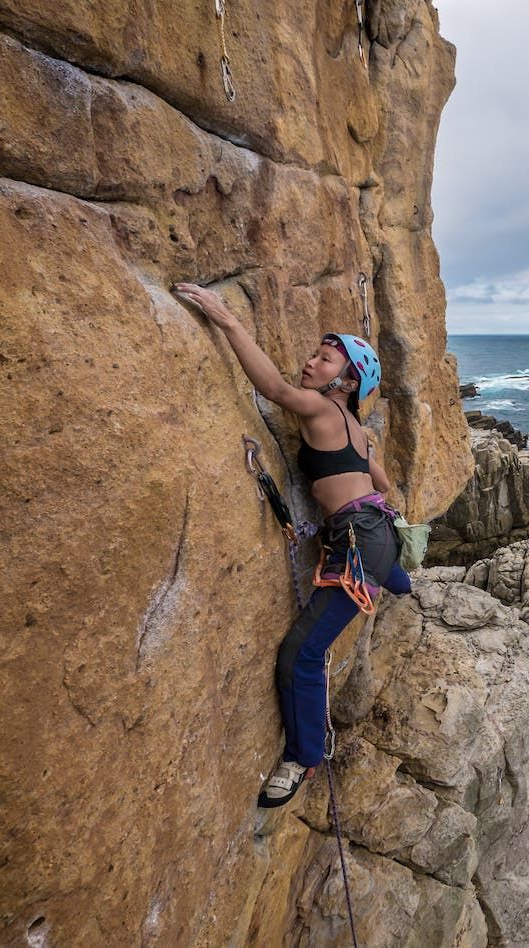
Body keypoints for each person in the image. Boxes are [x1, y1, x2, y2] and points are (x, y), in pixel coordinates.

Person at [173, 282, 404, 807]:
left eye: (324, 360)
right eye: (314, 355)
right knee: (383, 572)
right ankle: (398, 580)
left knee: (302, 653)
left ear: (347, 382)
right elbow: (384, 485)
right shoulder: (355, 427)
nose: (310, 363)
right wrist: (359, 461)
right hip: (378, 534)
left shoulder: (321, 410)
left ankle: (303, 758)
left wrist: (228, 321)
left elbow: (275, 390)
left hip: (358, 543)